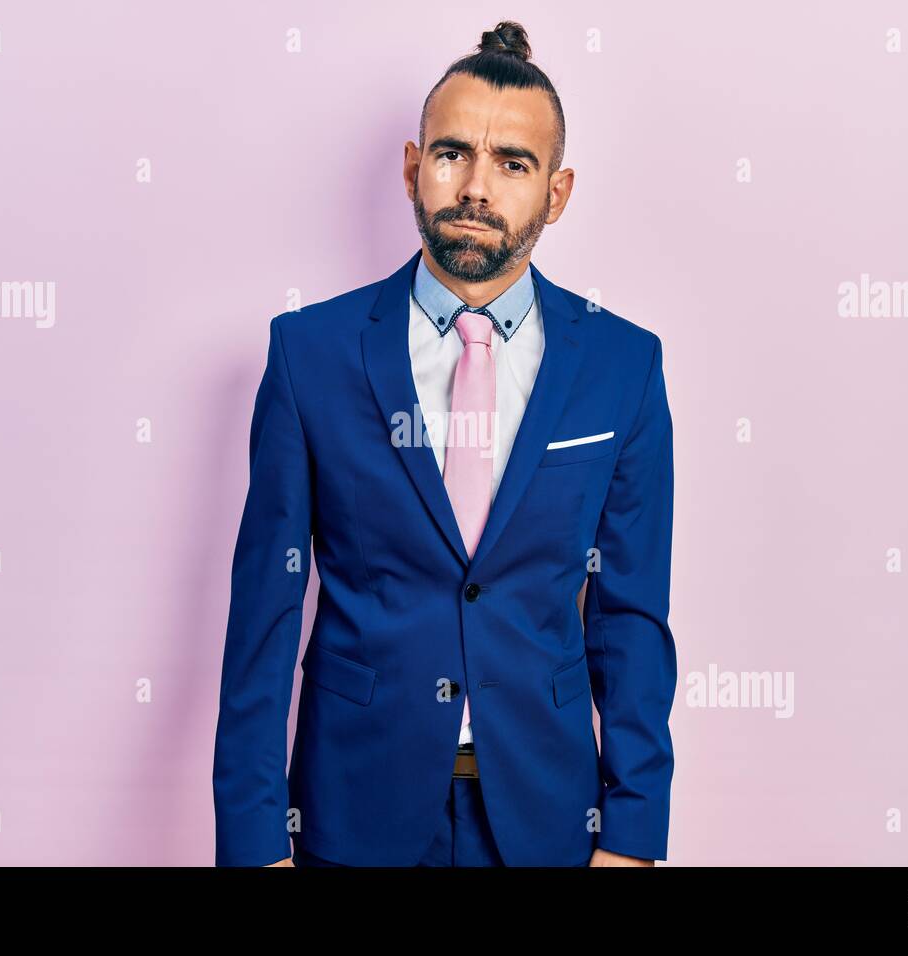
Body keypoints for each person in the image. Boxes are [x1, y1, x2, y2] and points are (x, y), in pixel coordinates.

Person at [213, 20, 677, 867]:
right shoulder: (308, 355)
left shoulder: (624, 366)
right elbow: (264, 621)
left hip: (549, 818)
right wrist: (253, 841)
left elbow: (633, 619)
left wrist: (635, 834)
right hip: (350, 814)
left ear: (558, 193)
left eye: (513, 163)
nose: (475, 187)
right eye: (453, 153)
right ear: (412, 168)